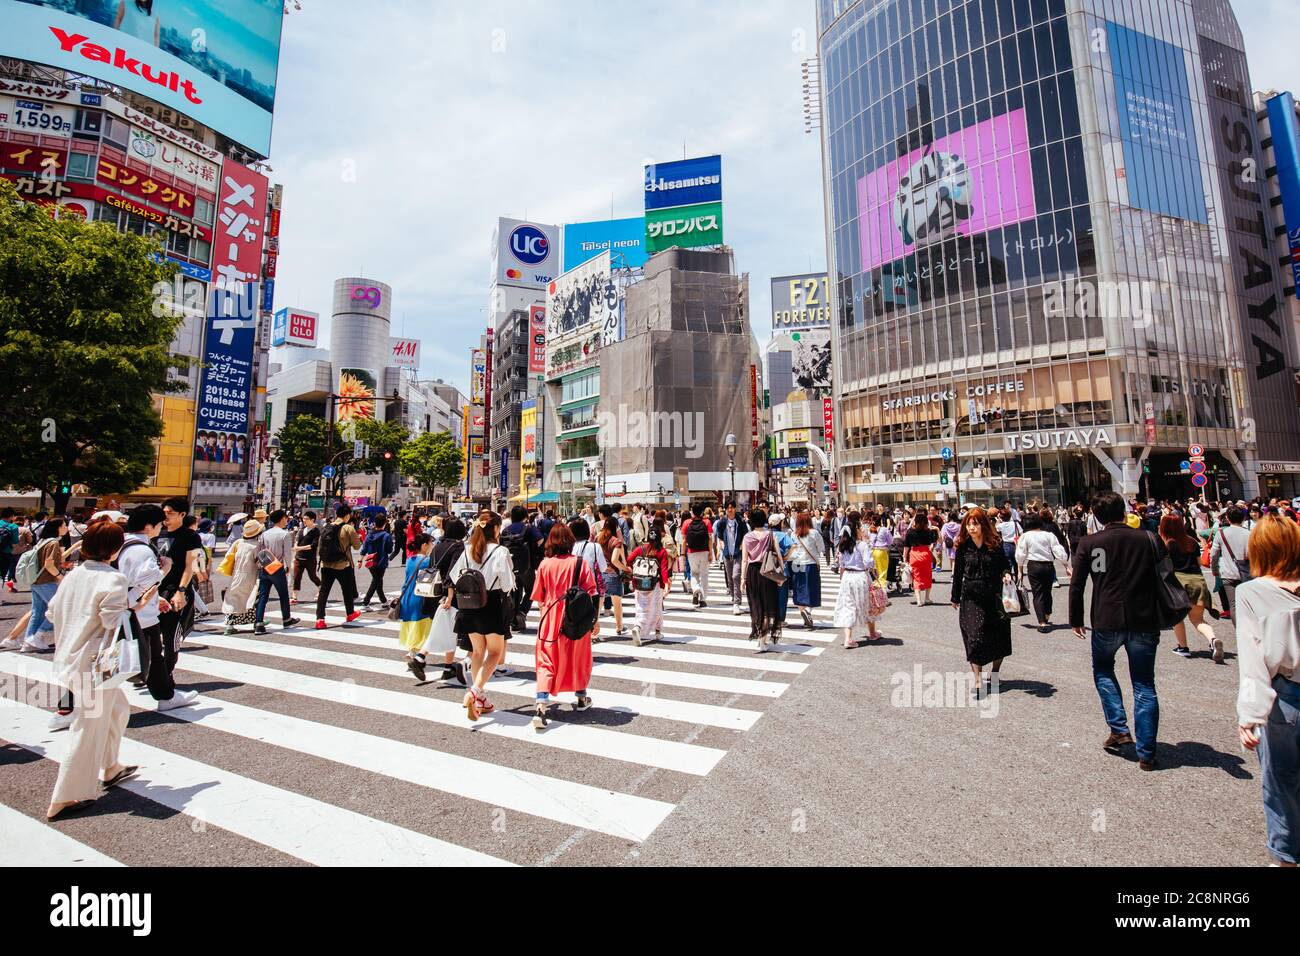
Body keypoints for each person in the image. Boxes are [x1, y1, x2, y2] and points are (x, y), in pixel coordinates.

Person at [44, 520, 136, 821]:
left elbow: (50, 611)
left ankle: (112, 766)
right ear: (115, 549)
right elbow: (111, 623)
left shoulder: (73, 576)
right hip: (94, 667)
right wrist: (135, 604)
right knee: (87, 729)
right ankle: (64, 797)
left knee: (119, 709)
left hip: (69, 659)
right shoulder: (114, 579)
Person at [1069, 491, 1166, 771]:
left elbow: (1077, 584)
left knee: (1103, 671)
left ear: (1097, 518)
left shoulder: (1090, 543)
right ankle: (1147, 753)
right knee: (1144, 683)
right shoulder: (1148, 538)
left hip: (1106, 617)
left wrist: (1076, 618)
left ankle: (1119, 728)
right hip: (1144, 618)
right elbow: (1164, 575)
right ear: (1124, 512)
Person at [1234, 514, 1300, 867]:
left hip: (1286, 699)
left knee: (1280, 783)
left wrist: (1250, 715)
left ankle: (1286, 856)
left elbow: (1254, 660)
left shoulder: (1252, 592)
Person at [118, 504, 198, 716]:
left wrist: (156, 598)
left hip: (138, 611)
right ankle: (69, 706)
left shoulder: (124, 543)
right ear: (148, 526)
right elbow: (145, 579)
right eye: (158, 524)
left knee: (155, 656)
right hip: (135, 613)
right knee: (107, 664)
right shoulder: (141, 549)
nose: (160, 527)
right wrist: (165, 569)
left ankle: (167, 696)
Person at [444, 511, 515, 721]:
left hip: (469, 604)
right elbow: (507, 584)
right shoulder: (500, 551)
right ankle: (474, 692)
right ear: (495, 529)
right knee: (494, 652)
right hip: (492, 604)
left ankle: (480, 699)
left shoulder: (467, 550)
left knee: (477, 653)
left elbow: (454, 577)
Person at [529, 523, 597, 730]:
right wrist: (595, 620)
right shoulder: (580, 563)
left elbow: (538, 597)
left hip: (549, 618)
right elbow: (591, 593)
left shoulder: (544, 564)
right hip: (575, 618)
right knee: (578, 657)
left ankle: (541, 705)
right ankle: (581, 697)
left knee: (546, 661)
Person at [950, 507, 1013, 694]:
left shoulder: (994, 544)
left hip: (994, 595)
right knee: (974, 636)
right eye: (969, 524)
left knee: (998, 637)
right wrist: (955, 596)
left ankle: (995, 673)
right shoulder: (963, 546)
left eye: (975, 523)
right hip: (971, 596)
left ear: (983, 524)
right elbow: (958, 572)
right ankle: (977, 678)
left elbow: (1005, 566)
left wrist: (1006, 575)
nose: (971, 527)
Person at [407, 519, 470, 685]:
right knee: (447, 629)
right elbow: (452, 573)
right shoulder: (458, 547)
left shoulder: (438, 545)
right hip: (449, 595)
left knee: (446, 629)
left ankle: (448, 668)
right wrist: (450, 596)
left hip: (434, 593)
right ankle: (420, 658)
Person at [1160, 514, 1222, 662]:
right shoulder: (1191, 542)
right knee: (1198, 620)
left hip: (1179, 583)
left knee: (1177, 617)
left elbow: (1164, 567)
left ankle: (1183, 647)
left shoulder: (1167, 544)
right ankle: (1213, 639)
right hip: (1197, 582)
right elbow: (1199, 563)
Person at [834, 511, 883, 649]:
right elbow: (869, 563)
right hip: (861, 576)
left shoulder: (842, 546)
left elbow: (841, 564)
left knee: (848, 606)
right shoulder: (861, 545)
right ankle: (872, 633)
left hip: (847, 577)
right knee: (868, 604)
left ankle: (848, 638)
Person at [1015, 513, 1070, 632]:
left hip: (1034, 566)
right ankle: (1047, 612)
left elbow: (1020, 554)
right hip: (1048, 565)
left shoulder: (1025, 536)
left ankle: (1042, 622)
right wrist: (1066, 566)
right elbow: (1058, 550)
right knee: (1047, 591)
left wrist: (1020, 570)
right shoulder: (1049, 535)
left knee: (1037, 593)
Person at [19, 517, 67, 652]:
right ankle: (38, 635)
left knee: (37, 611)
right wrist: (61, 577)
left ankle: (29, 642)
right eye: (64, 525)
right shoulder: (53, 543)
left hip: (35, 580)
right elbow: (49, 564)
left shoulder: (43, 541)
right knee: (58, 608)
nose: (66, 528)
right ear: (57, 527)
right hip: (46, 581)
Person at [740, 509, 785, 651]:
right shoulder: (770, 535)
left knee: (756, 604)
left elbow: (744, 560)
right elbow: (778, 555)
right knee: (767, 607)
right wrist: (781, 574)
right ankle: (763, 640)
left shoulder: (747, 537)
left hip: (753, 572)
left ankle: (760, 636)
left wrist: (742, 578)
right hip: (767, 572)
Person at [315, 504, 363, 629]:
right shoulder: (348, 528)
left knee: (324, 591)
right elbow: (357, 546)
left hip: (325, 564)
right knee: (347, 589)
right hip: (342, 564)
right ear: (347, 515)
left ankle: (320, 619)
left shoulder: (327, 526)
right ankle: (350, 613)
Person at [253, 510, 298, 635]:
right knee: (283, 595)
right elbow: (287, 553)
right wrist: (289, 567)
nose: (286, 521)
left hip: (265, 566)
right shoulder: (285, 534)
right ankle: (286, 619)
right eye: (285, 519)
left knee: (263, 596)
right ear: (282, 519)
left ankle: (259, 624)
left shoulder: (265, 534)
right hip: (277, 567)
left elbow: (260, 550)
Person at [627, 530, 672, 647]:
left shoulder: (640, 549)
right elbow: (663, 569)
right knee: (656, 608)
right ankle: (648, 629)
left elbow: (629, 560)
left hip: (639, 583)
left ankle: (642, 627)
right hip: (655, 584)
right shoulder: (661, 551)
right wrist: (666, 584)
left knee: (641, 607)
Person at [220, 519, 263, 634]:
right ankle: (256, 622)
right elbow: (259, 562)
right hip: (250, 576)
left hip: (236, 574)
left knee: (232, 600)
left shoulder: (238, 542)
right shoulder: (256, 545)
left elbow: (229, 556)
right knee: (252, 599)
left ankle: (229, 626)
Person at [1211, 506, 1252, 621]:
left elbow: (1214, 554)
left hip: (1228, 573)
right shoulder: (1248, 534)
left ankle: (1239, 631)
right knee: (1248, 604)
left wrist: (1214, 569)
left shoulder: (1221, 534)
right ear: (1243, 518)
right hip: (1247, 573)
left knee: (1233, 605)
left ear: (1227, 518)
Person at [571, 517, 608, 642]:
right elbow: (603, 568)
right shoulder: (595, 547)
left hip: (573, 588)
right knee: (590, 617)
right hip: (591, 588)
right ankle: (588, 640)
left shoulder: (570, 547)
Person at [790, 511, 823, 630]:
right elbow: (821, 548)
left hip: (797, 565)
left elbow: (792, 549)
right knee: (812, 589)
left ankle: (804, 614)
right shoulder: (814, 533)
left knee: (799, 590)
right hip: (811, 564)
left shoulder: (794, 534)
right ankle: (808, 611)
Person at [598, 516, 629, 637]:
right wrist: (626, 568)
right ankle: (619, 627)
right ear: (616, 527)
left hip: (600, 573)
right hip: (612, 573)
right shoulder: (616, 541)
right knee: (617, 602)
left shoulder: (598, 539)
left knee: (599, 602)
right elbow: (615, 560)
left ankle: (593, 626)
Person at [682, 505, 715, 608]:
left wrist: (683, 554)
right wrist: (711, 553)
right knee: (704, 574)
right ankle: (703, 599)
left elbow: (684, 541)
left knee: (694, 573)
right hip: (704, 551)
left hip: (691, 552)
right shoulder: (707, 522)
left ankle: (696, 588)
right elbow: (710, 539)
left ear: (692, 512)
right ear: (701, 512)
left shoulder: (687, 523)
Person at [904, 512, 939, 606]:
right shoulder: (928, 531)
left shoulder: (910, 531)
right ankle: (927, 598)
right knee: (928, 575)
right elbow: (936, 541)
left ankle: (919, 600)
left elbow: (906, 546)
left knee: (916, 577)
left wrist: (904, 557)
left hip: (914, 555)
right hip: (925, 554)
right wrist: (937, 530)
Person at [359, 515, 393, 608]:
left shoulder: (369, 535)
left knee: (378, 581)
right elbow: (389, 550)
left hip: (371, 561)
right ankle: (366, 602)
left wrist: (360, 560)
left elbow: (364, 548)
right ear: (385, 524)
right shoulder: (386, 535)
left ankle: (384, 601)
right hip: (381, 562)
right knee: (376, 581)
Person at [292, 510, 321, 603]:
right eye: (303, 518)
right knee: (296, 577)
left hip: (310, 558)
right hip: (298, 558)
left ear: (312, 520)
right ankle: (294, 597)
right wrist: (296, 550)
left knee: (312, 576)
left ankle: (321, 588)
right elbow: (297, 541)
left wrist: (299, 548)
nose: (304, 520)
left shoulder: (316, 531)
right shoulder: (301, 530)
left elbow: (313, 545)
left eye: (307, 519)